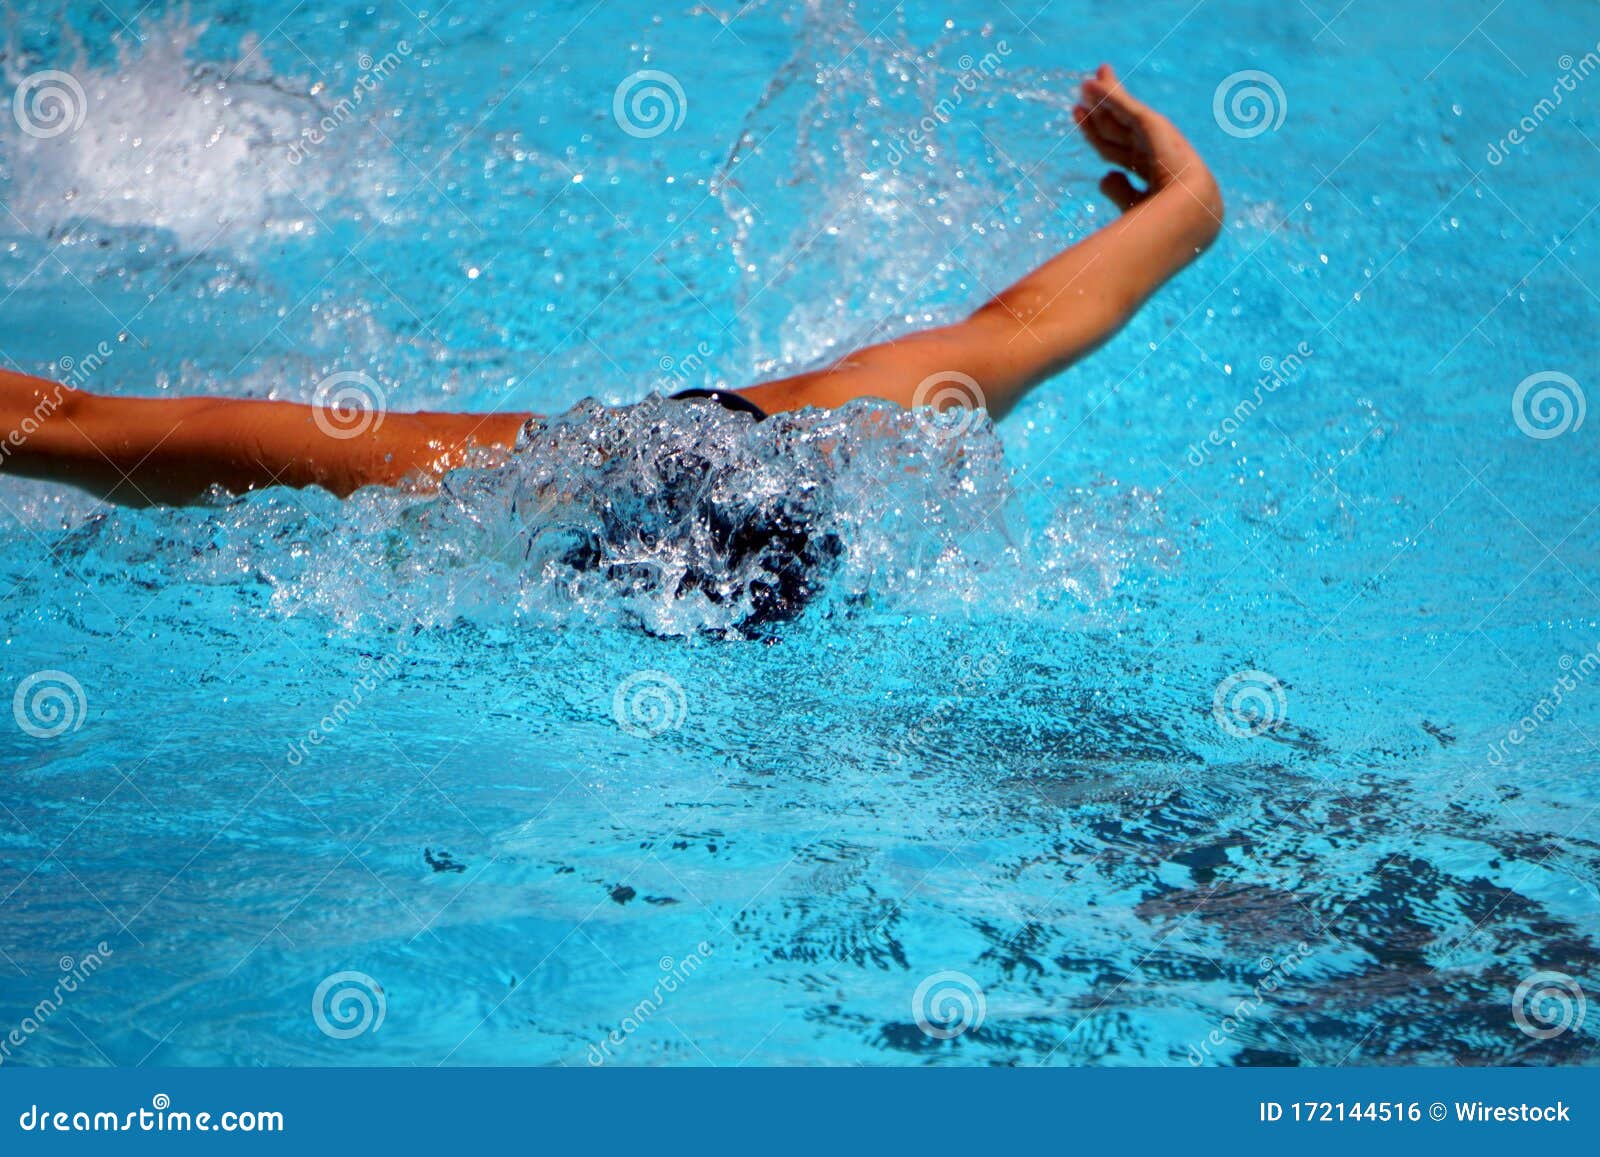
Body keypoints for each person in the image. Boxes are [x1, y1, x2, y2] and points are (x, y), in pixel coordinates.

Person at [0, 66, 1220, 508]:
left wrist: (1182, 203)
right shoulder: (875, 438)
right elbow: (1027, 322)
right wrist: (1181, 197)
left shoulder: (497, 493)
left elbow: (76, 425)